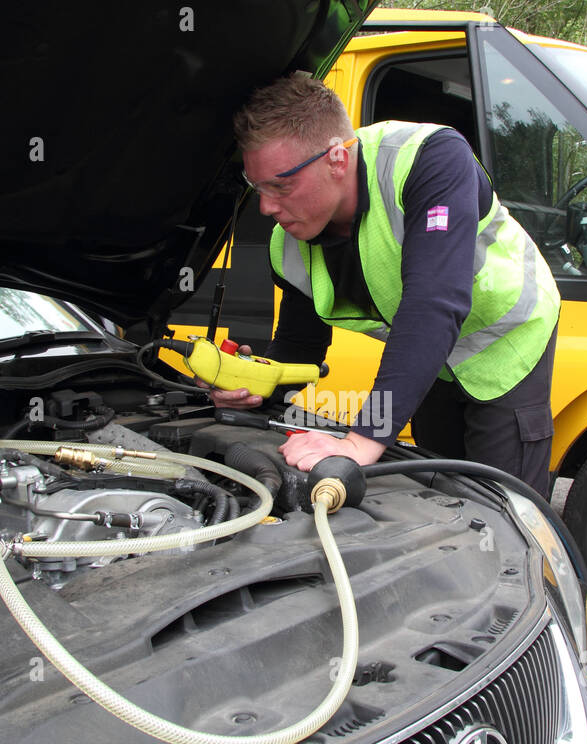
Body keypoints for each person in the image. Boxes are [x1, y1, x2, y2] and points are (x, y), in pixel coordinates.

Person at [216, 72, 561, 495]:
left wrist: (362, 440)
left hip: (507, 343)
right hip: (433, 356)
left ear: (336, 159)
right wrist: (255, 388)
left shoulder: (429, 160)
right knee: (446, 495)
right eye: (258, 187)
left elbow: (433, 303)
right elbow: (299, 345)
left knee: (506, 506)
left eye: (281, 185)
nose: (267, 206)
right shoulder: (291, 240)